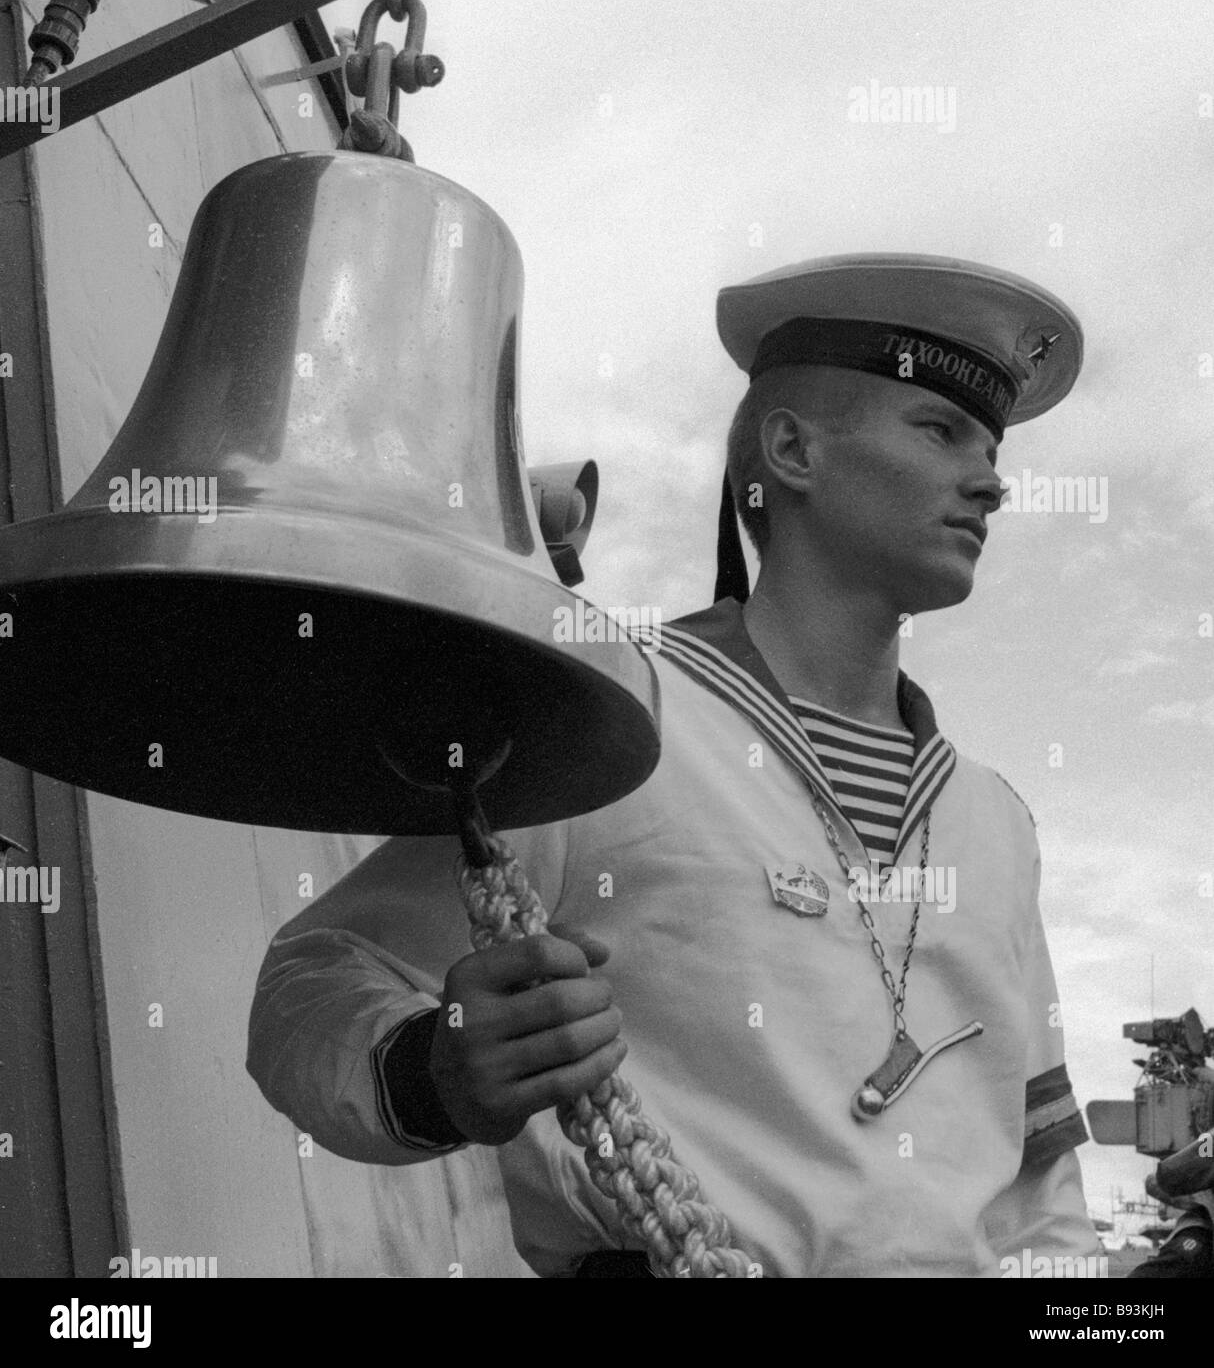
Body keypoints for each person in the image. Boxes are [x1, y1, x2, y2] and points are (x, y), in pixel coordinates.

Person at [247, 253, 1101, 1278]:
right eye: (938, 430)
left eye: (989, 445)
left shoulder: (995, 822)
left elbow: (1041, 1194)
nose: (989, 479)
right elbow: (312, 980)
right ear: (790, 450)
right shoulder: (605, 722)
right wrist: (433, 1068)